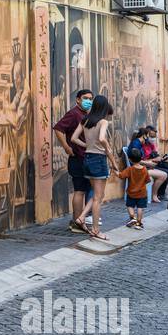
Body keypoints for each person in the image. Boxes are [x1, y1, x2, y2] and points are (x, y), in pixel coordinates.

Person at [70, 94, 117, 240]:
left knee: (98, 195)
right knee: (98, 198)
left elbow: (73, 138)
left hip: (87, 159)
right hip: (98, 159)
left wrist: (87, 145)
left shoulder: (85, 120)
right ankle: (96, 230)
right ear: (104, 107)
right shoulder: (103, 122)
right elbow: (102, 138)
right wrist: (110, 155)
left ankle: (81, 217)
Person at [53, 89, 95, 235]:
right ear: (78, 99)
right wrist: (66, 147)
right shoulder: (73, 113)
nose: (88, 100)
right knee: (79, 190)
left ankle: (80, 220)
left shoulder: (86, 115)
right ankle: (77, 222)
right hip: (78, 158)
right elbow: (58, 128)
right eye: (85, 98)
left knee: (83, 190)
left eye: (90, 98)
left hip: (86, 157)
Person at [117, 146, 151, 230]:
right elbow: (148, 180)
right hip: (142, 193)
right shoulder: (145, 169)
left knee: (130, 206)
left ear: (130, 159)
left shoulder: (130, 169)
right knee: (140, 208)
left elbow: (121, 176)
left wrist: (115, 172)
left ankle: (133, 218)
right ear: (141, 158)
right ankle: (139, 223)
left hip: (131, 193)